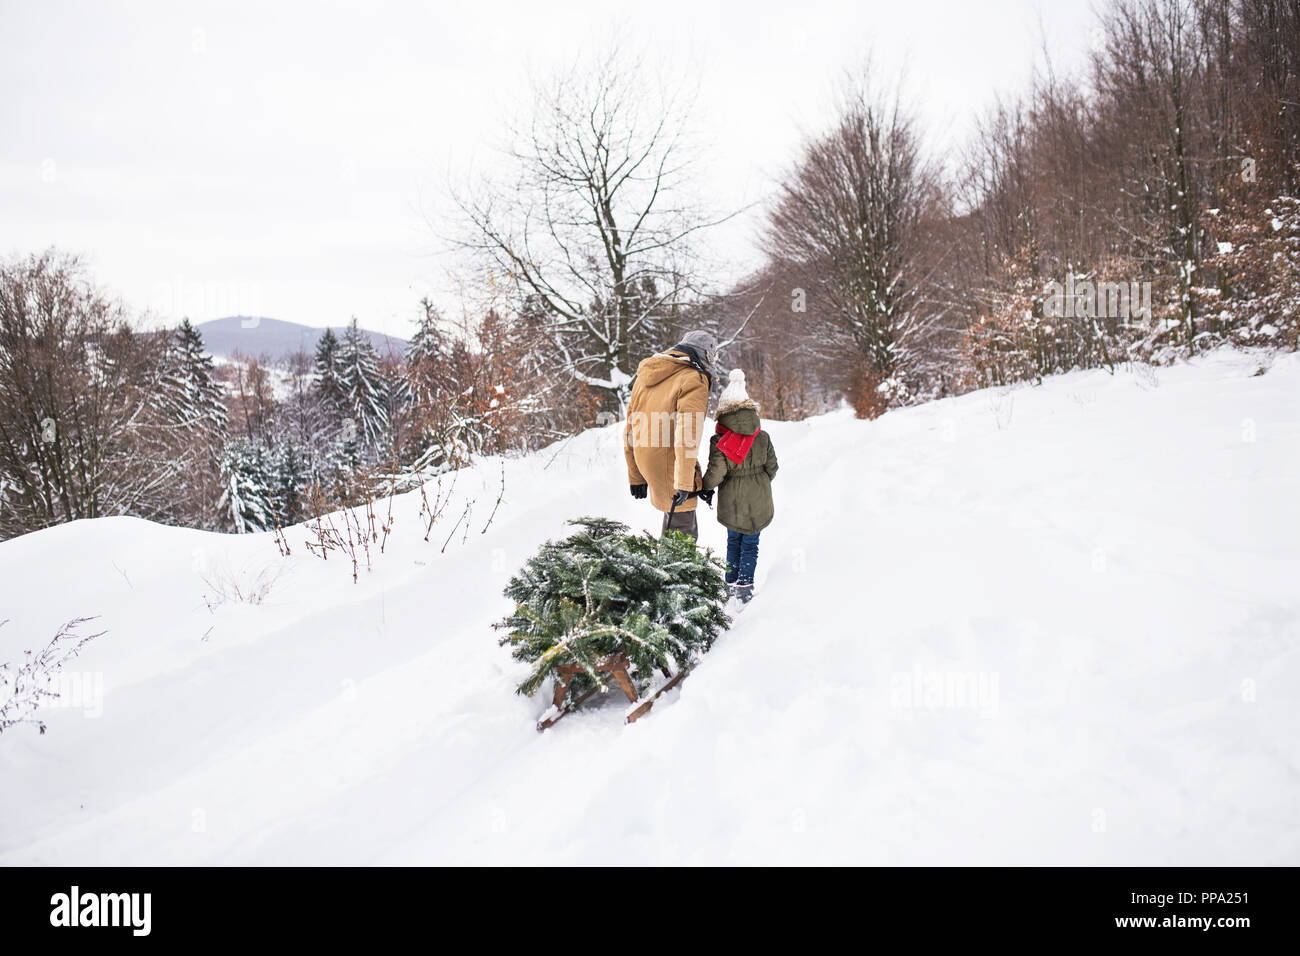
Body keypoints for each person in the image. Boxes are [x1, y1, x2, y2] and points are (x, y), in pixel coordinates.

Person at [624, 330, 717, 540]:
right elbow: (687, 437)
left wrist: (636, 475)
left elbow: (631, 428)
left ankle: (663, 569)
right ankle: (673, 573)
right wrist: (684, 482)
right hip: (671, 465)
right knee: (683, 537)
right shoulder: (693, 378)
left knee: (673, 525)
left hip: (646, 461)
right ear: (705, 355)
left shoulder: (646, 376)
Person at [700, 369, 778, 603]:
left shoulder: (720, 440)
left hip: (732, 501)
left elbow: (716, 472)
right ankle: (745, 587)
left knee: (733, 540)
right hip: (759, 499)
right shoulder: (762, 436)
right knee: (751, 544)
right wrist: (760, 484)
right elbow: (772, 467)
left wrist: (705, 488)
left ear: (724, 412)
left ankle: (730, 585)